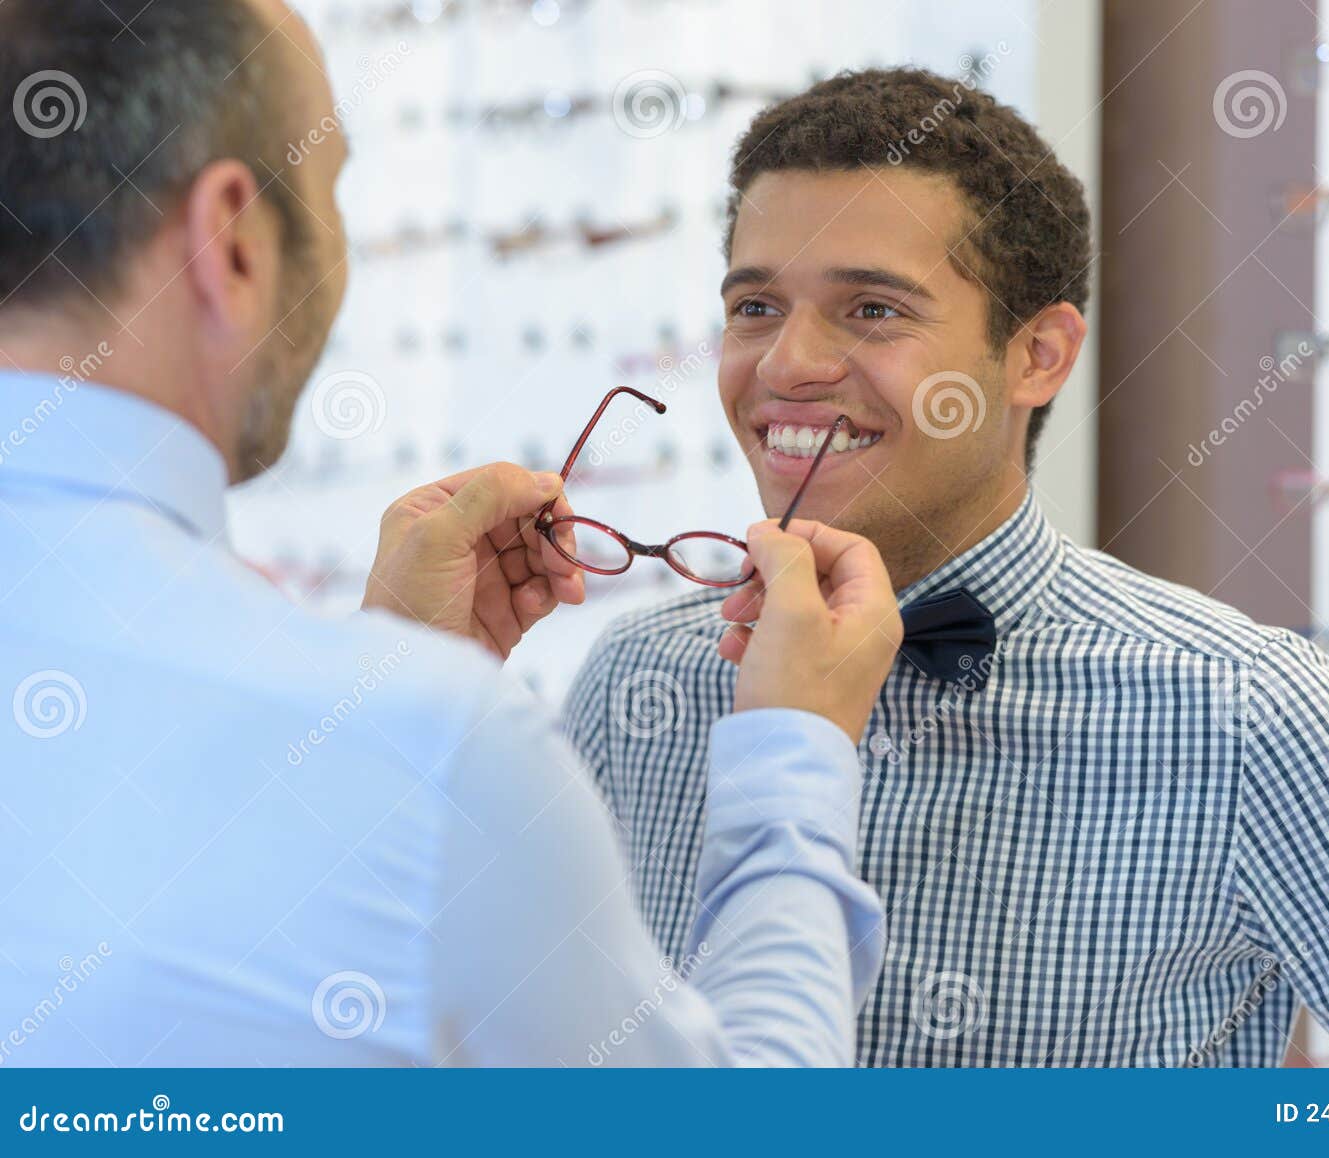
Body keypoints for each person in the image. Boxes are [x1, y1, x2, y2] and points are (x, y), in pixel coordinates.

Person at [563, 67, 1329, 1066]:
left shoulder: (1245, 717)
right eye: (754, 307)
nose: (787, 364)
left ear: (1039, 355)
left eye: (871, 309)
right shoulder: (633, 689)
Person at [0, 0, 903, 1066]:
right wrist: (792, 758)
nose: (793, 363)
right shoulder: (430, 752)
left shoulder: (396, 739)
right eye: (331, 191)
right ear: (233, 243)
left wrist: (385, 684)